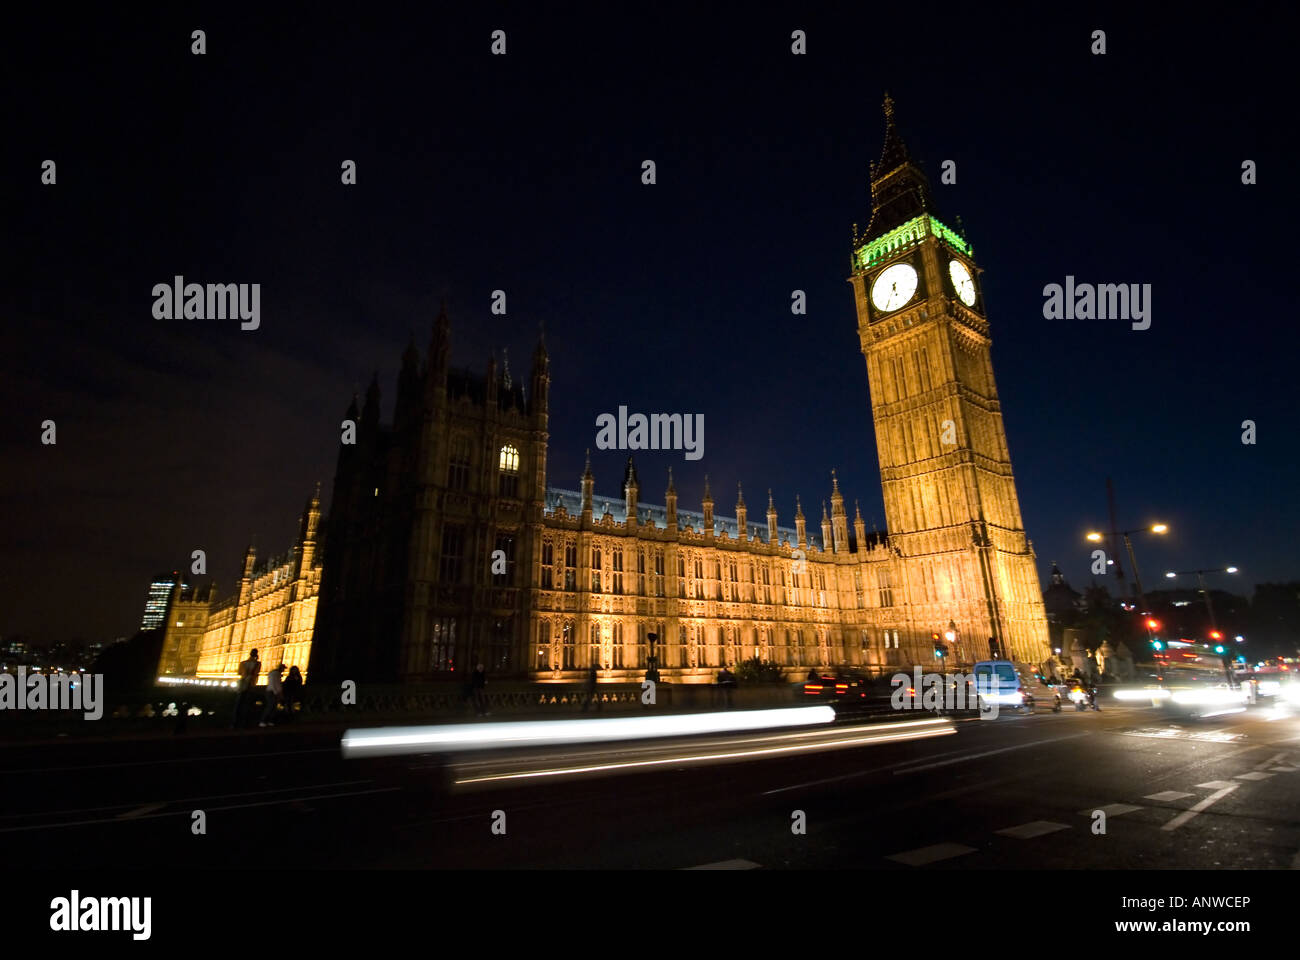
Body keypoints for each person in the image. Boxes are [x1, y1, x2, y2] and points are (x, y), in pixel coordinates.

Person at [231, 648, 261, 728]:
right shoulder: (257, 663)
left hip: (243, 685)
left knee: (239, 704)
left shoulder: (243, 663)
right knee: (248, 704)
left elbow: (240, 673)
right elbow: (256, 673)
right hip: (250, 685)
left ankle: (235, 722)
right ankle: (244, 722)